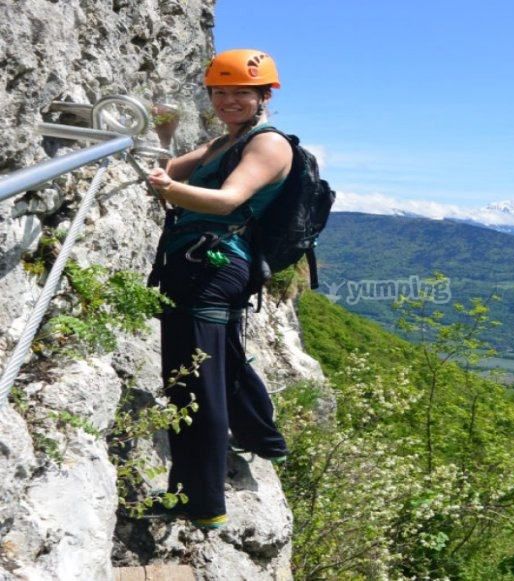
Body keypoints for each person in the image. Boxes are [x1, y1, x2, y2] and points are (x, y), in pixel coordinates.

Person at [146, 49, 291, 529]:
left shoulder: (268, 146)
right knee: (219, 362)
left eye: (241, 93)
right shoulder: (221, 144)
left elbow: (229, 201)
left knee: (192, 382)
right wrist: (164, 137)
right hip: (201, 264)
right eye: (220, 92)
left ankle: (200, 502)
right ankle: (263, 436)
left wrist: (167, 189)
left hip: (211, 267)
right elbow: (170, 168)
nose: (229, 100)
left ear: (263, 96)